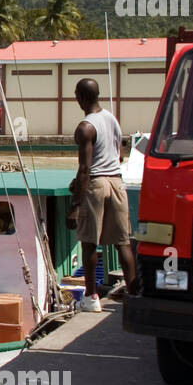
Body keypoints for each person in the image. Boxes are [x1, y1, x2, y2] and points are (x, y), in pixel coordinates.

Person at [70, 78, 137, 312]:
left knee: (89, 243)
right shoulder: (112, 119)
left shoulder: (85, 127)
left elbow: (85, 169)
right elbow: (117, 156)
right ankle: (134, 292)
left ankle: (91, 297)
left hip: (96, 184)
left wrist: (75, 204)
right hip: (117, 183)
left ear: (80, 97)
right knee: (123, 243)